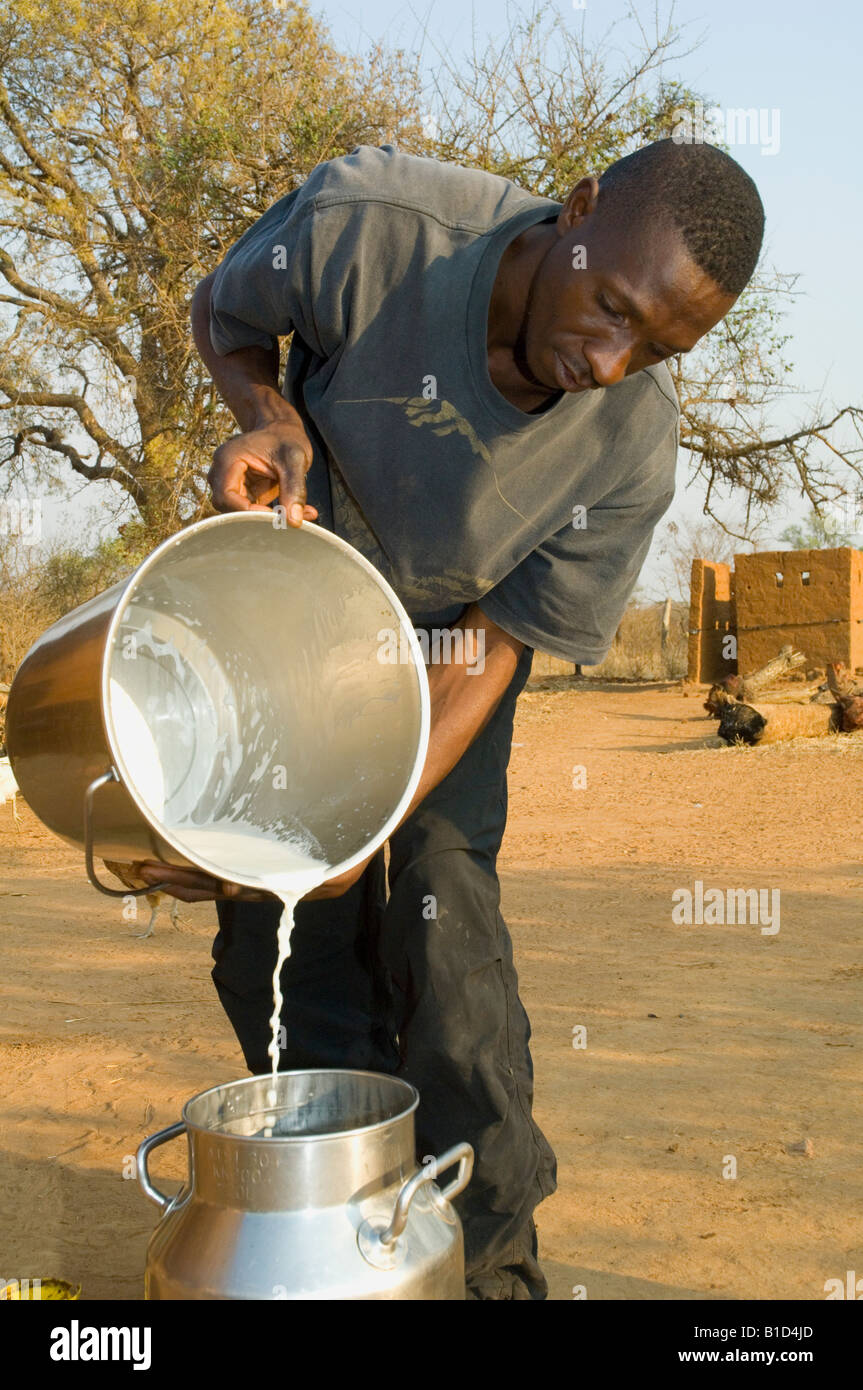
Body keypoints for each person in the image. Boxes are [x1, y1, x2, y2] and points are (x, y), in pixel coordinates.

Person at [140, 138, 764, 1299]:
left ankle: (484, 1261)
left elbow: (491, 649)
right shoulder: (372, 224)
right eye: (608, 307)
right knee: (270, 928)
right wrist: (270, 414)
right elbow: (222, 312)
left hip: (448, 649)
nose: (604, 360)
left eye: (652, 350)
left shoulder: (630, 446)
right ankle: (332, 1233)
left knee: (440, 906)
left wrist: (361, 824)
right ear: (576, 209)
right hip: (295, 608)